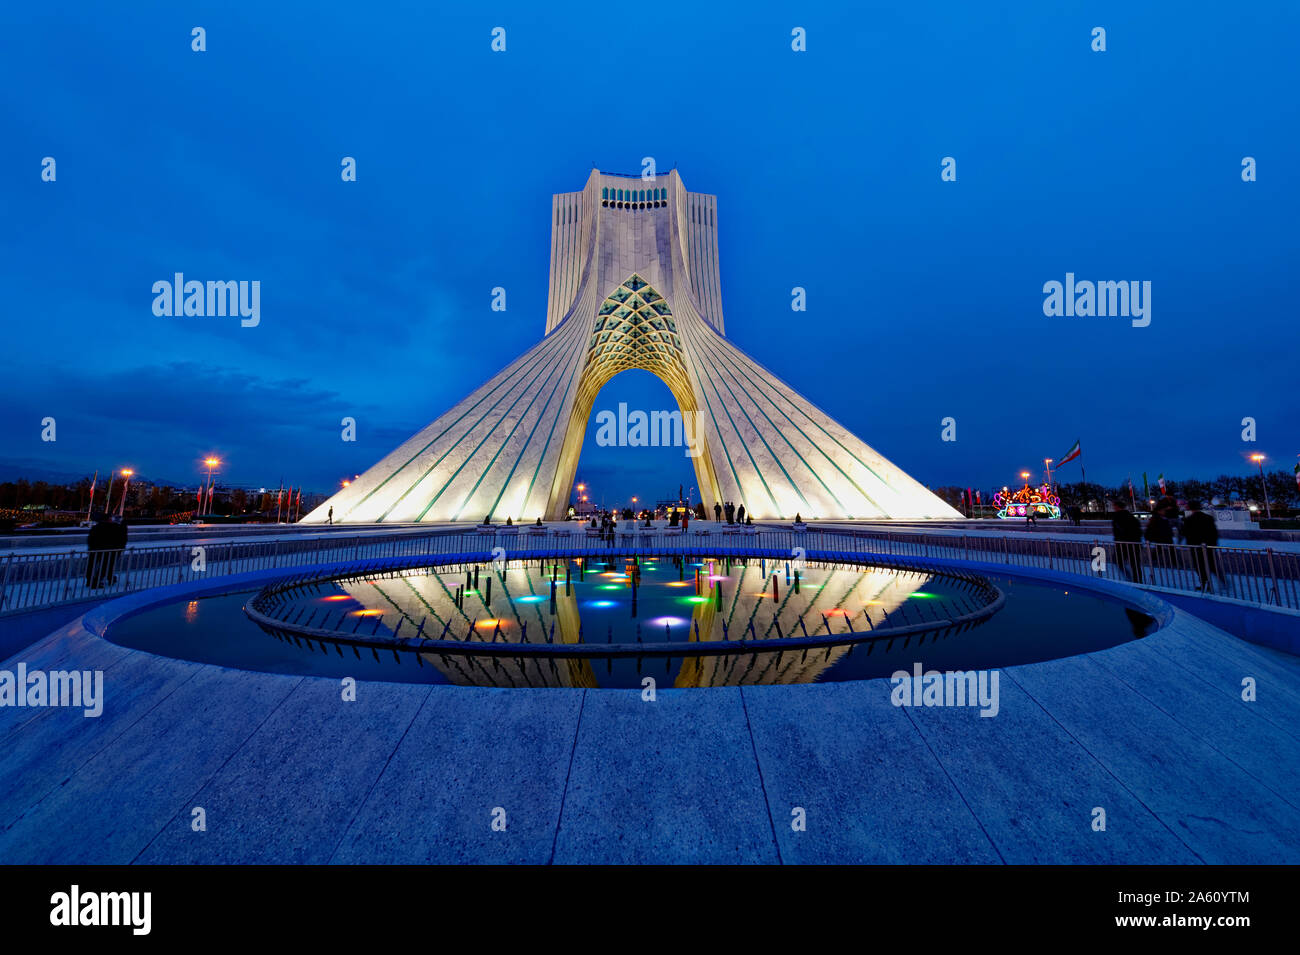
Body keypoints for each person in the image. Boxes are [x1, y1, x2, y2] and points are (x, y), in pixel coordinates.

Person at [1181, 500, 1221, 592]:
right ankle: (1222, 580)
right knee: (1211, 564)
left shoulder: (1188, 520)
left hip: (1196, 547)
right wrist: (1213, 544)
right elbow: (1214, 533)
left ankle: (1205, 583)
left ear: (1190, 508)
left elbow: (1185, 533)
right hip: (1208, 546)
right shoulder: (1208, 518)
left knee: (1200, 566)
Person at [1110, 499, 1143, 583]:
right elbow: (1138, 529)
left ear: (1117, 507)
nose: (1113, 508)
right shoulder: (1130, 516)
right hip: (1134, 543)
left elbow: (1118, 531)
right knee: (1135, 564)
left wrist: (1118, 540)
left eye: (1114, 506)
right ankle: (1138, 581)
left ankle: (1130, 577)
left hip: (1123, 544)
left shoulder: (1117, 517)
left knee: (1117, 560)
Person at [85, 512, 115, 589]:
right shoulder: (109, 528)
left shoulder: (96, 527)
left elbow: (90, 539)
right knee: (103, 566)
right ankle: (96, 581)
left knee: (92, 565)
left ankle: (89, 580)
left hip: (94, 549)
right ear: (108, 519)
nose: (112, 520)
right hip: (103, 550)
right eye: (110, 518)